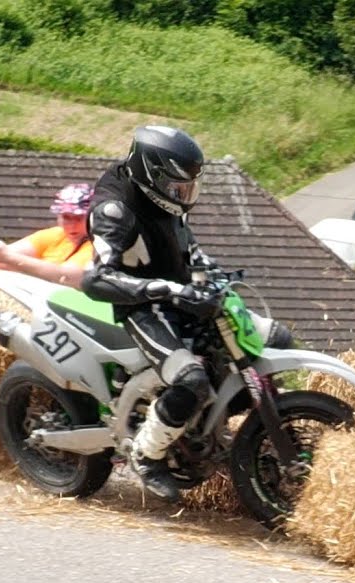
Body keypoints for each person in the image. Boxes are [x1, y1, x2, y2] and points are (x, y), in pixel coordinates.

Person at [79, 125, 229, 502]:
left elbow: (185, 244)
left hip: (175, 295)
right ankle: (147, 456)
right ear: (152, 175)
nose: (184, 195)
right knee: (191, 380)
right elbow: (97, 279)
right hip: (140, 305)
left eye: (188, 187)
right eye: (178, 187)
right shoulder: (115, 211)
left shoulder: (166, 199)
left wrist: (210, 271)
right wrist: (163, 289)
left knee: (267, 338)